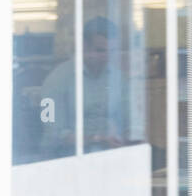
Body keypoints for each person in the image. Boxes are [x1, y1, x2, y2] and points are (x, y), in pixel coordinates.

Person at [37, 15, 129, 156]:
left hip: (109, 154)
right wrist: (96, 140)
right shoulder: (57, 80)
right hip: (66, 157)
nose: (107, 57)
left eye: (112, 51)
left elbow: (129, 122)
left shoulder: (118, 78)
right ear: (84, 46)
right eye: (100, 50)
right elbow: (53, 133)